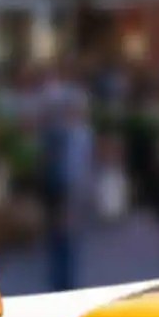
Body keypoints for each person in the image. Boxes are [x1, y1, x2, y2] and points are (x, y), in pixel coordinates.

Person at [39, 90, 94, 291]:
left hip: (71, 192)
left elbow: (79, 169)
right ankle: (60, 280)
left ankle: (65, 282)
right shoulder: (60, 136)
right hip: (59, 191)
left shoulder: (80, 135)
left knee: (68, 238)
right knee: (60, 237)